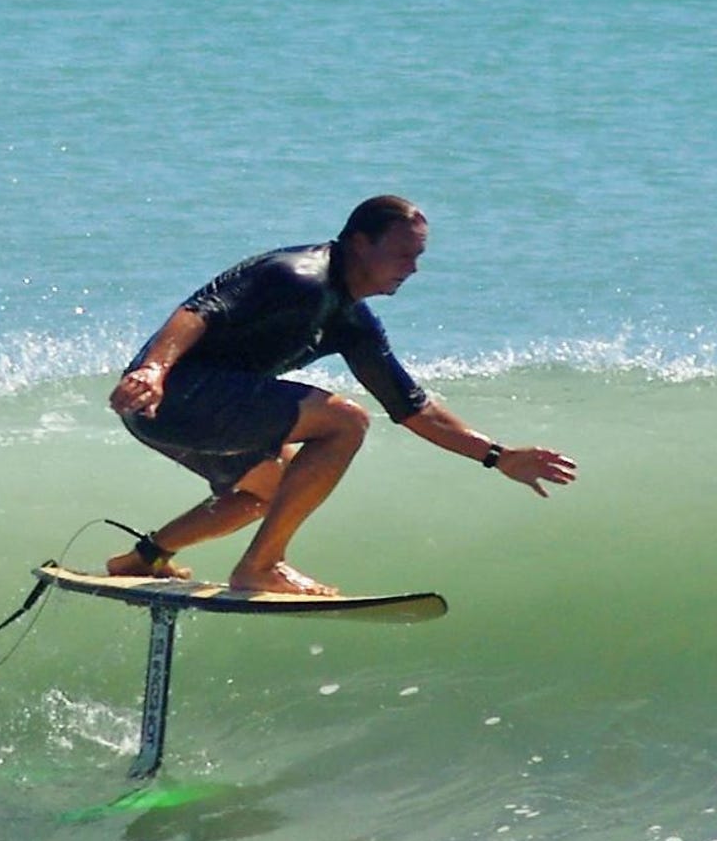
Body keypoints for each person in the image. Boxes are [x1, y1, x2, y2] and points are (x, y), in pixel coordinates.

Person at [105, 196, 577, 596]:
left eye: (418, 257)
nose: (412, 269)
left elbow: (413, 409)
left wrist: (498, 456)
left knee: (270, 492)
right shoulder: (297, 276)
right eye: (400, 255)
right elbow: (198, 312)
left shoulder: (352, 322)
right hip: (175, 393)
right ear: (358, 243)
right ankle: (261, 566)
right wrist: (155, 369)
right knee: (346, 421)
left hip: (177, 412)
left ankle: (143, 558)